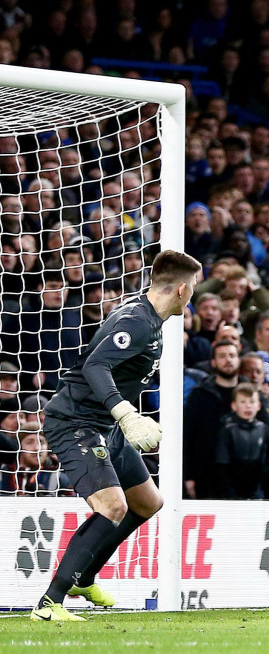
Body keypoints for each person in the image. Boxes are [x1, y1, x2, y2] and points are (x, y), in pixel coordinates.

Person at [33, 251, 202, 621]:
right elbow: (95, 365)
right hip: (76, 421)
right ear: (181, 289)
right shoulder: (137, 321)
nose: (192, 296)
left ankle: (83, 578)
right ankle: (49, 604)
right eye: (193, 288)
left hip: (105, 425)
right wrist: (126, 413)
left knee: (147, 502)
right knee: (112, 506)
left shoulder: (149, 317)